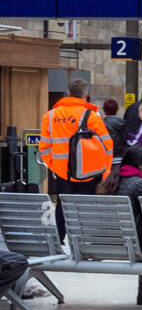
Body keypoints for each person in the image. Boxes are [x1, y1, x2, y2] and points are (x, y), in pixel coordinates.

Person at [39, 78, 113, 241]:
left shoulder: (50, 116)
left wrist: (57, 167)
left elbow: (43, 148)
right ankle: (84, 243)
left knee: (62, 207)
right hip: (89, 173)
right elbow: (107, 145)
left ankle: (58, 241)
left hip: (62, 173)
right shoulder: (92, 117)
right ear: (85, 95)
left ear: (68, 94)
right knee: (86, 208)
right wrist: (104, 171)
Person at [96, 145, 142, 306]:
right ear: (141, 165)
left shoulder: (112, 180)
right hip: (130, 244)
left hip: (104, 241)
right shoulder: (140, 185)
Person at [100, 99, 127, 165]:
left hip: (108, 157)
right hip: (121, 157)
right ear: (117, 109)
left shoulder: (102, 124)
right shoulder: (124, 123)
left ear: (104, 110)